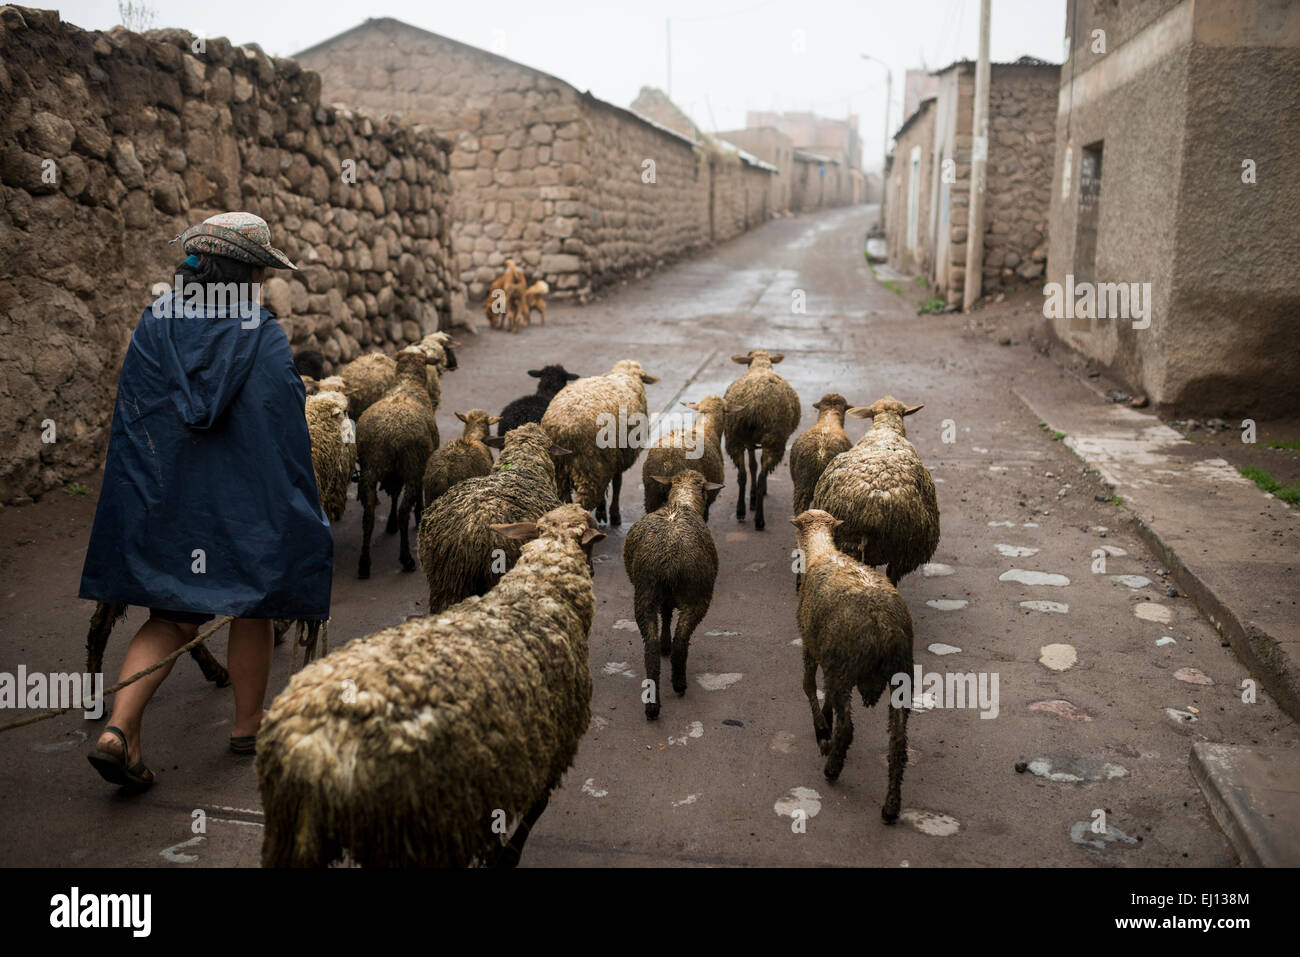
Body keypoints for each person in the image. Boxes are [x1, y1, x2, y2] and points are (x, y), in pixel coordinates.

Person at [79, 212, 333, 790]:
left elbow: (138, 418)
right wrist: (298, 503)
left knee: (171, 613)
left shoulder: (155, 322)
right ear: (245, 274)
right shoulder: (261, 332)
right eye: (261, 273)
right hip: (241, 502)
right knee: (253, 602)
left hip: (167, 497)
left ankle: (119, 729)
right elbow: (282, 422)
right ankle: (248, 725)